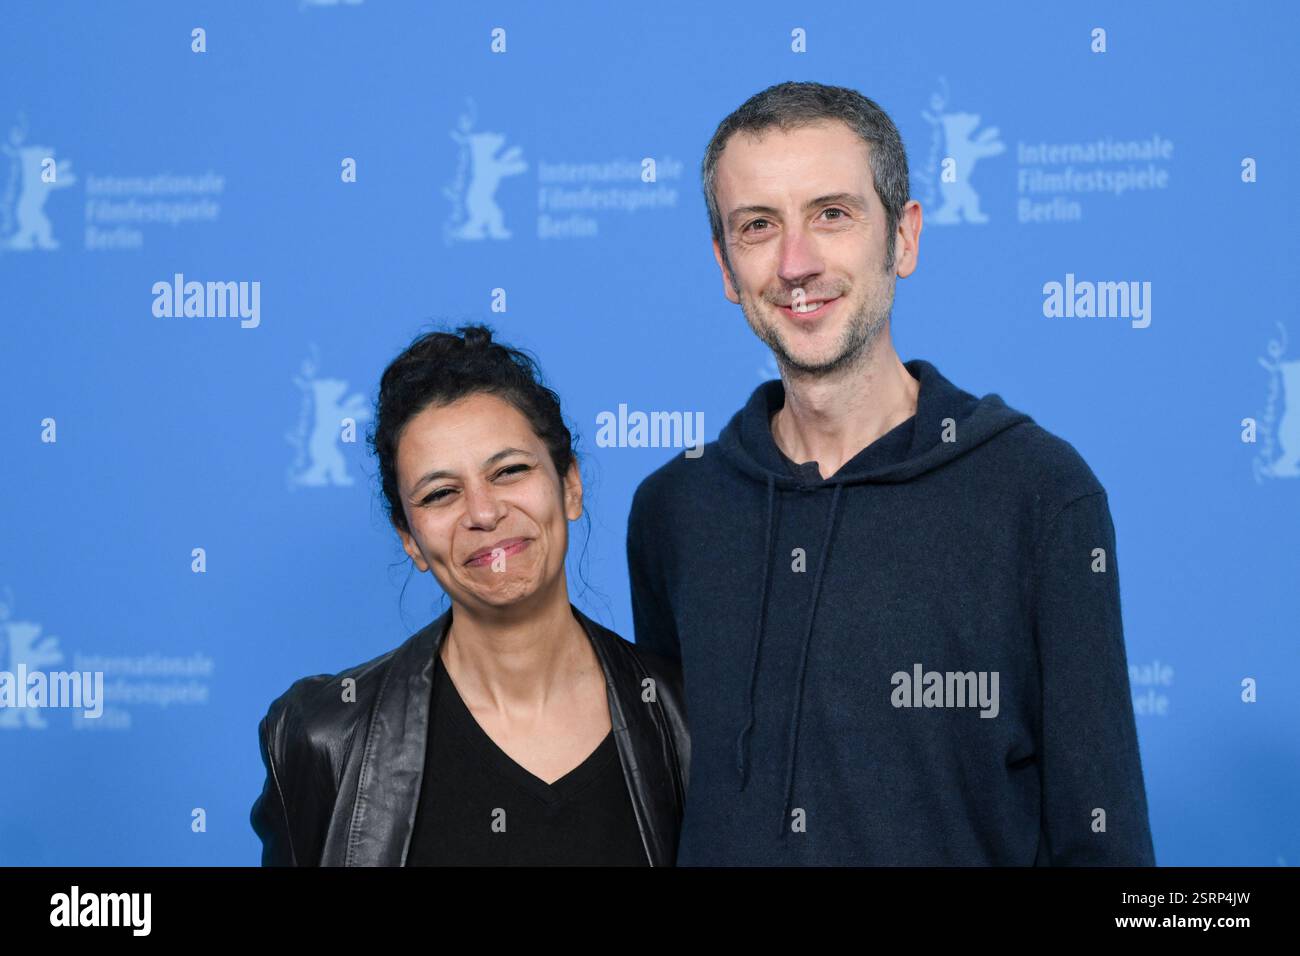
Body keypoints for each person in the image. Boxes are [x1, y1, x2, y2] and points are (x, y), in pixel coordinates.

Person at [626, 81, 1156, 865]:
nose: (796, 263)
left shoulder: (1038, 492)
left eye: (832, 214)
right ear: (726, 266)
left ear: (903, 238)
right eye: (758, 226)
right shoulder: (676, 509)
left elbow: (1103, 838)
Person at [251, 324, 689, 866]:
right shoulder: (323, 738)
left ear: (570, 484)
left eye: (509, 471)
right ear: (410, 538)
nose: (483, 513)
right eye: (441, 493)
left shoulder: (687, 717)